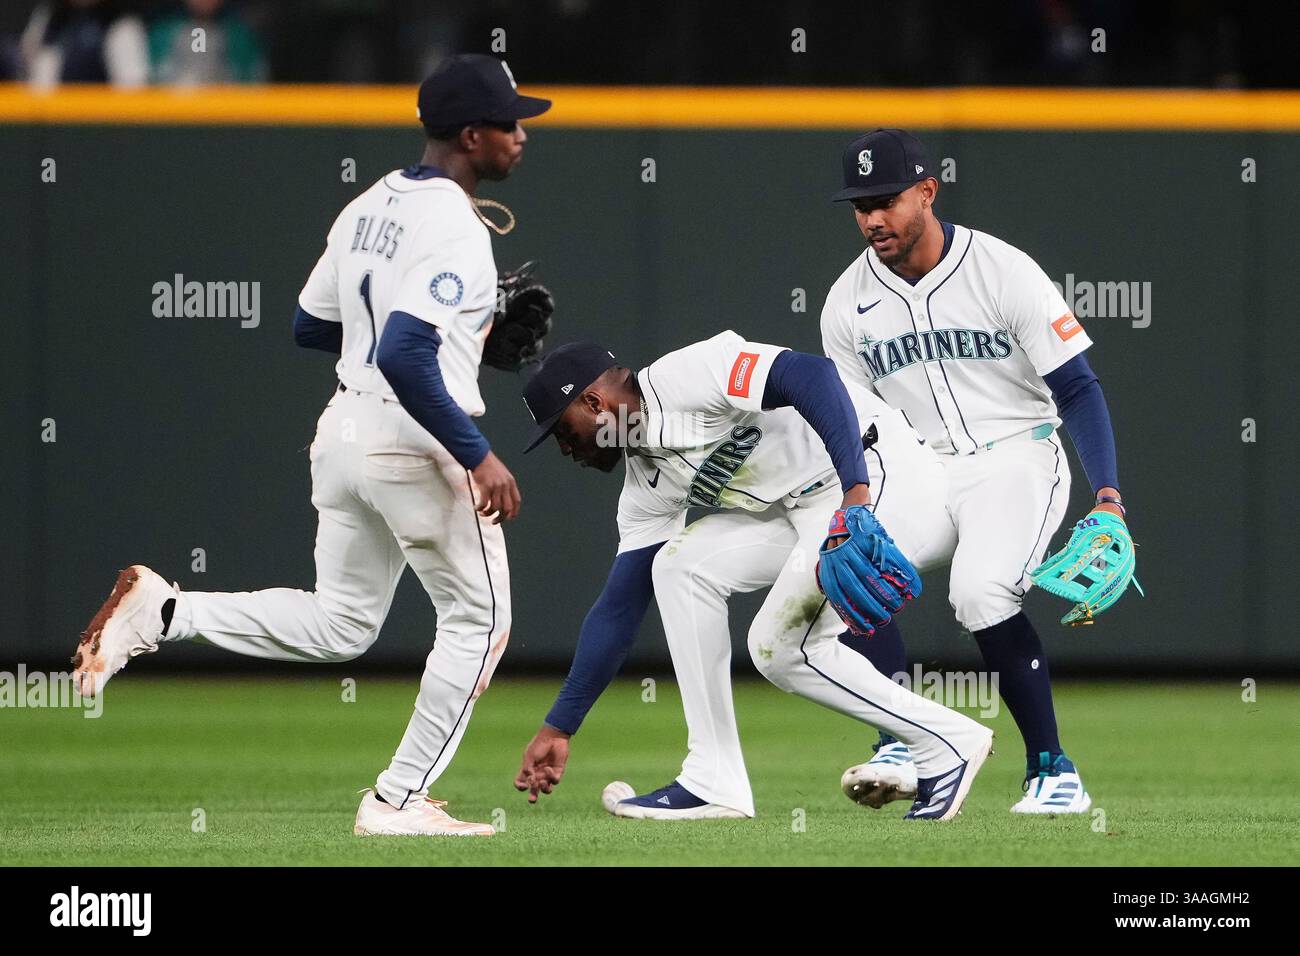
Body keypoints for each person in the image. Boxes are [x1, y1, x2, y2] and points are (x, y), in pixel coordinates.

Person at [71, 55, 552, 837]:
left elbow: (310, 324)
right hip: (412, 437)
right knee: (481, 620)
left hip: (344, 431)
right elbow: (402, 354)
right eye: (510, 122)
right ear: (473, 135)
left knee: (342, 622)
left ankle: (165, 612)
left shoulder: (366, 207)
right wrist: (477, 454)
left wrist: (465, 332)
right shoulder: (458, 228)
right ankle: (398, 801)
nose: (522, 135)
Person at [512, 333, 994, 821]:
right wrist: (560, 726)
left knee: (777, 646)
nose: (564, 447)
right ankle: (711, 778)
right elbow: (619, 605)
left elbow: (813, 375)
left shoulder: (686, 376)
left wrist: (855, 495)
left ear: (594, 401)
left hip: (882, 476)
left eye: (563, 429)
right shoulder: (646, 484)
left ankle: (946, 743)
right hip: (805, 509)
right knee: (679, 566)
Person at [820, 128, 1129, 814]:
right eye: (860, 204)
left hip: (1015, 454)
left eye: (886, 200)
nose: (872, 218)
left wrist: (1107, 496)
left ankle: (1053, 771)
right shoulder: (845, 304)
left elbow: (1077, 387)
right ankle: (902, 744)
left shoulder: (1002, 269)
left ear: (927, 192)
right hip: (921, 467)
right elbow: (852, 424)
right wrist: (855, 502)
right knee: (851, 571)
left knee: (981, 594)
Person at [20, 0, 148, 89]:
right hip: (49, 119)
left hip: (100, 121)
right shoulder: (49, 16)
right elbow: (35, 83)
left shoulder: (123, 25)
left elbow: (132, 92)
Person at [148, 0, 266, 86]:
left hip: (227, 113)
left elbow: (256, 83)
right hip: (173, 113)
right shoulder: (162, 34)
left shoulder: (240, 36)